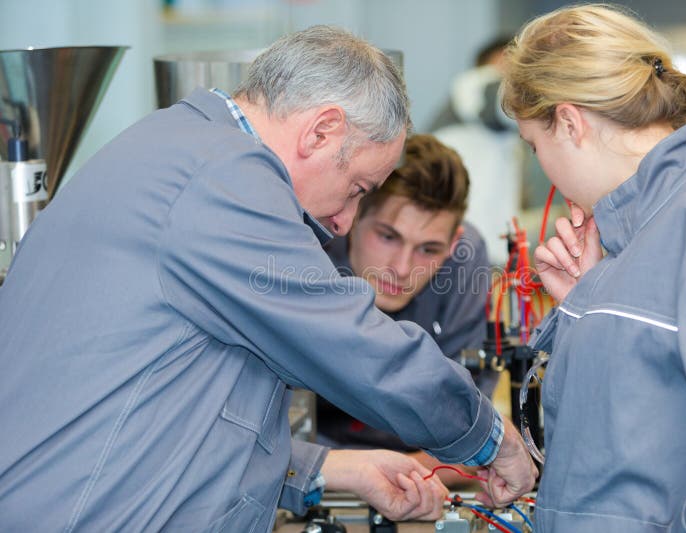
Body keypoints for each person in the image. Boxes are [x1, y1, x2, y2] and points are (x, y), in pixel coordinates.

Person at [0, 26, 536, 531]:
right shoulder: (226, 179)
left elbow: (180, 410)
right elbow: (354, 346)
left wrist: (324, 468)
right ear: (321, 131)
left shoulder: (178, 144)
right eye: (356, 188)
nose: (344, 222)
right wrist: (489, 438)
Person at [501, 4, 686, 532]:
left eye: (534, 145)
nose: (542, 167)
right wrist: (591, 301)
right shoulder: (647, 231)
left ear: (568, 122)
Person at [316, 133, 497, 487]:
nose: (401, 268)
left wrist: (397, 474)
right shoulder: (311, 246)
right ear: (352, 216)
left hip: (420, 469)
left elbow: (470, 435)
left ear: (453, 243)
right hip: (321, 463)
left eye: (428, 249)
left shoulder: (465, 262)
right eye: (388, 237)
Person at [431, 36, 527, 265]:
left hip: (487, 245)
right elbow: (503, 103)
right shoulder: (475, 82)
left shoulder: (503, 136)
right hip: (459, 242)